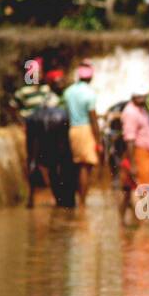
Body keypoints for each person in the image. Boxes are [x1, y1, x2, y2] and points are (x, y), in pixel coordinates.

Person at [63, 64, 99, 207]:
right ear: (90, 77)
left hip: (71, 129)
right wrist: (98, 139)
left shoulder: (69, 92)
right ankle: (82, 202)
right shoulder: (90, 94)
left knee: (76, 165)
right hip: (85, 130)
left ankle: (77, 198)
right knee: (85, 166)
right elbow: (93, 118)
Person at [119, 87, 149, 218]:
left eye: (144, 96)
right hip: (138, 154)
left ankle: (124, 225)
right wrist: (133, 163)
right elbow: (130, 139)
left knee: (130, 188)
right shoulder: (131, 113)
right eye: (140, 97)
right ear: (133, 97)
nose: (143, 99)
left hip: (145, 154)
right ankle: (139, 225)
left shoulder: (140, 110)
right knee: (141, 189)